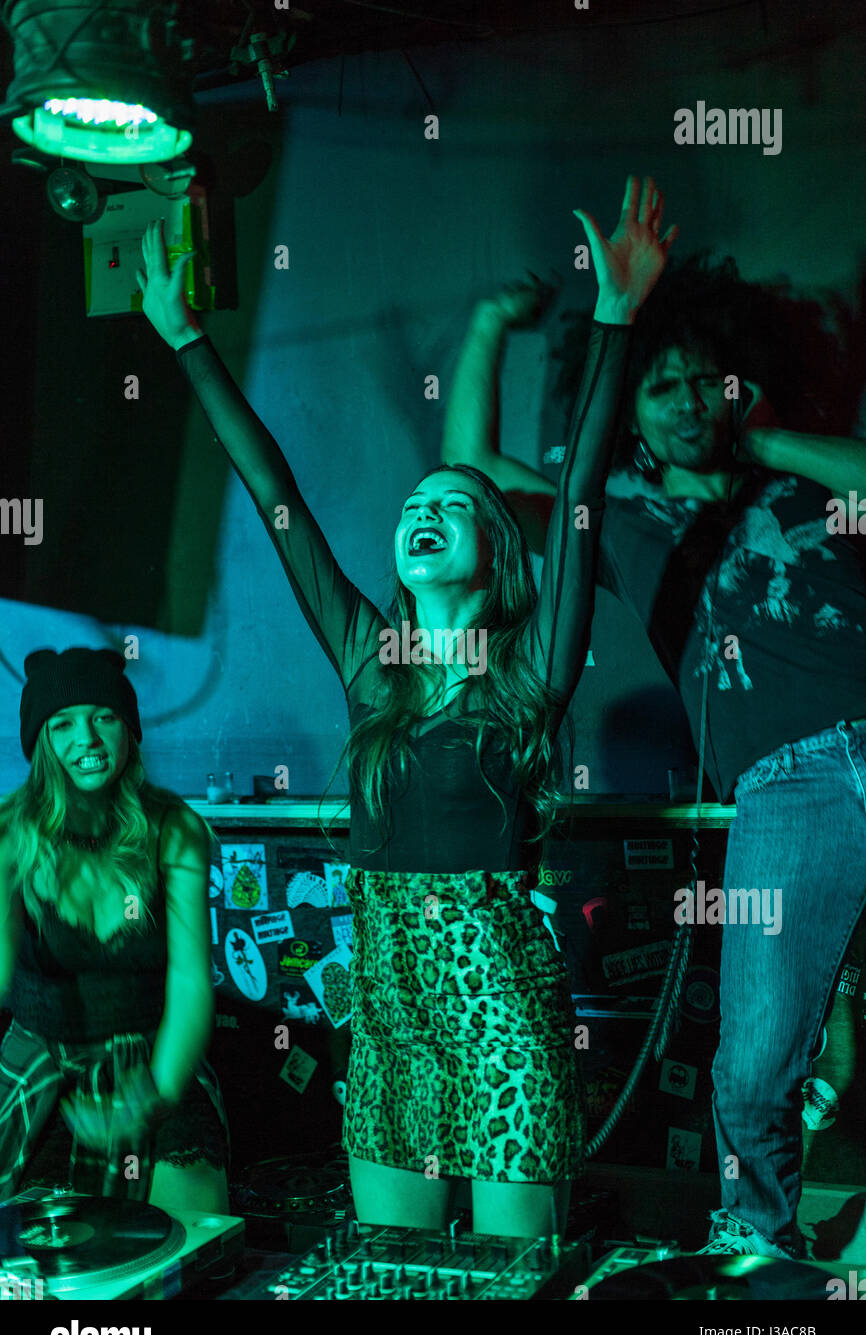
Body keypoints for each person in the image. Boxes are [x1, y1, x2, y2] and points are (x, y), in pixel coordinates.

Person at [136, 176, 677, 1237]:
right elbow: (274, 493)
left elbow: (575, 507)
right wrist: (186, 338)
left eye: (457, 504)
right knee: (397, 1266)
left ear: (496, 556)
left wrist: (613, 320)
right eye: (414, 505)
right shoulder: (368, 664)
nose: (426, 510)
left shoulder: (524, 678)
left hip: (502, 1007)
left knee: (511, 1274)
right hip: (382, 1007)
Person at [442, 248, 866, 1258]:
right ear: (627, 410)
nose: (683, 403)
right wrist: (484, 333)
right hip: (789, 778)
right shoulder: (619, 514)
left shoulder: (803, 478)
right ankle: (753, 1256)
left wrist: (765, 436)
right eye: (659, 386)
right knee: (754, 1059)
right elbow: (467, 480)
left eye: (701, 383)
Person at [0, 647, 230, 1213]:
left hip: (157, 1059)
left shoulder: (174, 830)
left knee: (190, 1240)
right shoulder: (10, 836)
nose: (88, 739)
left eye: (103, 716)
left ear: (128, 728)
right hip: (42, 1065)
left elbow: (191, 984)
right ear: (42, 743)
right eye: (63, 724)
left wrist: (154, 1095)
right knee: (42, 1252)